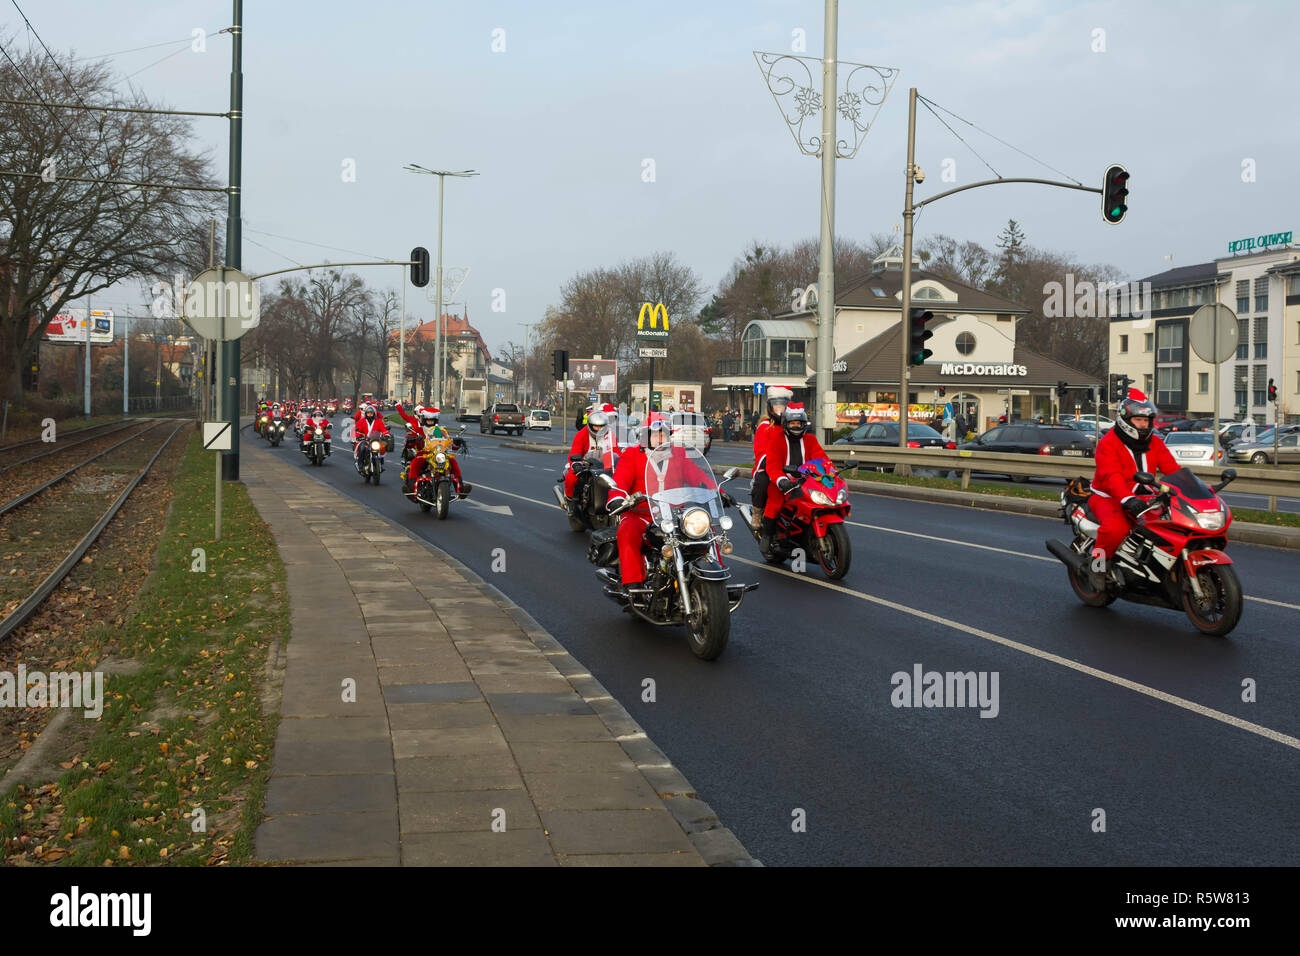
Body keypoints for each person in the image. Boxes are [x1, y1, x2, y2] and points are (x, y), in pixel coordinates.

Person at [605, 413, 715, 599]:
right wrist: (617, 497)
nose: (660, 438)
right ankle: (633, 585)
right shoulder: (632, 455)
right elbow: (620, 480)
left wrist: (716, 491)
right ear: (646, 436)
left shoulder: (678, 454)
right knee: (627, 530)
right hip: (641, 514)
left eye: (664, 434)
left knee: (705, 530)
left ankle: (714, 578)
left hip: (675, 515)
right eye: (655, 434)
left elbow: (698, 477)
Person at [1088, 389, 1179, 590]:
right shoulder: (1108, 443)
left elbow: (1172, 469)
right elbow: (1112, 476)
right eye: (1139, 419)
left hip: (1146, 497)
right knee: (1115, 529)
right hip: (1108, 497)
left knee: (1172, 528)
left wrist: (1196, 489)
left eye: (1147, 420)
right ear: (1125, 419)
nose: (1144, 425)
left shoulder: (1155, 442)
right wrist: (1127, 499)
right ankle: (1098, 567)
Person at [760, 403, 828, 553]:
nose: (796, 426)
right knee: (776, 504)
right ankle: (768, 535)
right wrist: (781, 480)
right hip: (782, 482)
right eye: (792, 423)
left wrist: (830, 473)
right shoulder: (777, 439)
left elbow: (822, 459)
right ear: (786, 424)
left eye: (799, 423)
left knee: (821, 503)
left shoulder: (810, 439)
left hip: (807, 482)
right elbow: (772, 465)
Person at [749, 386, 792, 530]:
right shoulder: (765, 426)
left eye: (782, 405)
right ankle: (757, 512)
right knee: (763, 480)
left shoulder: (791, 426)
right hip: (768, 467)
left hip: (789, 466)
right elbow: (760, 451)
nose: (780, 409)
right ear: (770, 407)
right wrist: (771, 460)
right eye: (776, 405)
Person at [562, 409, 609, 504]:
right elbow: (575, 451)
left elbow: (615, 452)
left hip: (603, 467)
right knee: (571, 478)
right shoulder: (581, 435)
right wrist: (576, 463)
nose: (599, 429)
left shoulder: (610, 435)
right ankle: (569, 501)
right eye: (596, 427)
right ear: (590, 425)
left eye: (601, 427)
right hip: (584, 466)